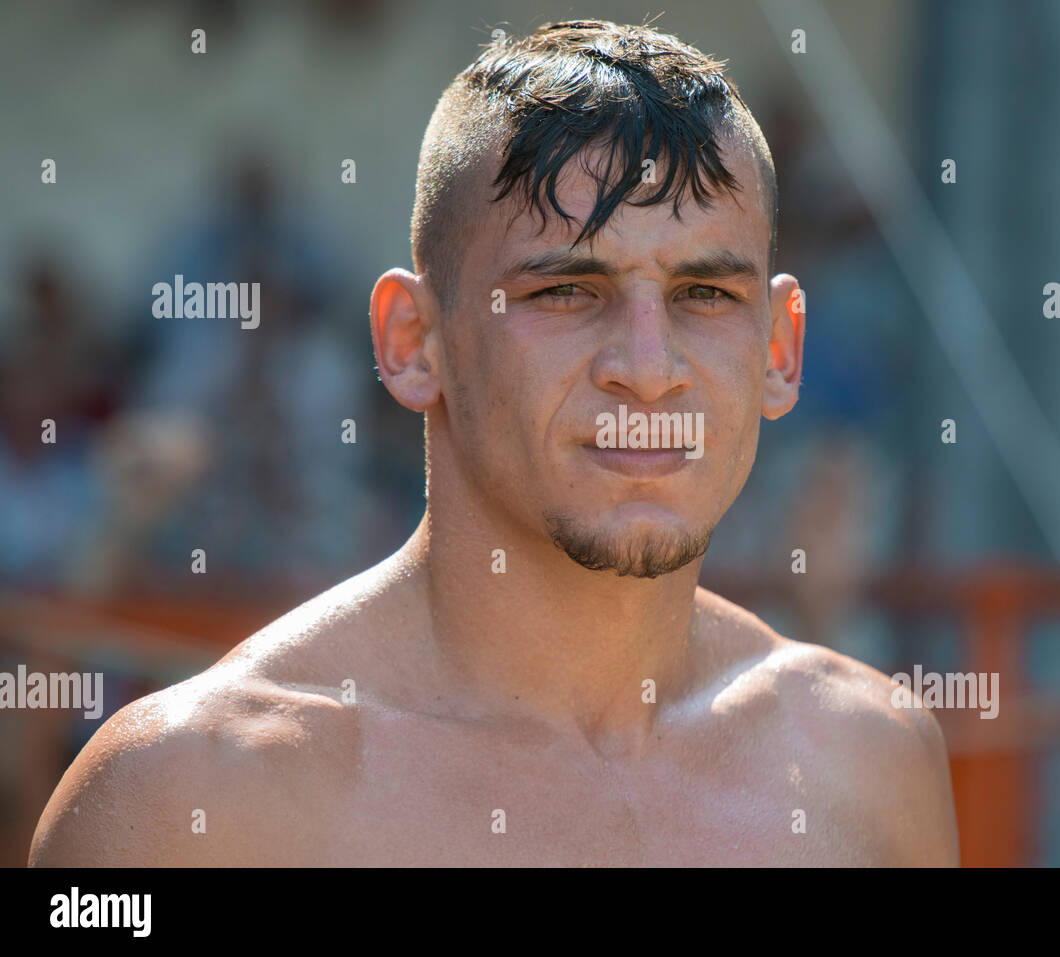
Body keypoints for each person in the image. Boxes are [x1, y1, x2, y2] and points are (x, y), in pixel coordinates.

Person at [30, 19, 958, 866]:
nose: (648, 366)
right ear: (412, 342)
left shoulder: (867, 759)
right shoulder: (187, 798)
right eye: (566, 292)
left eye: (704, 295)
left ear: (780, 349)